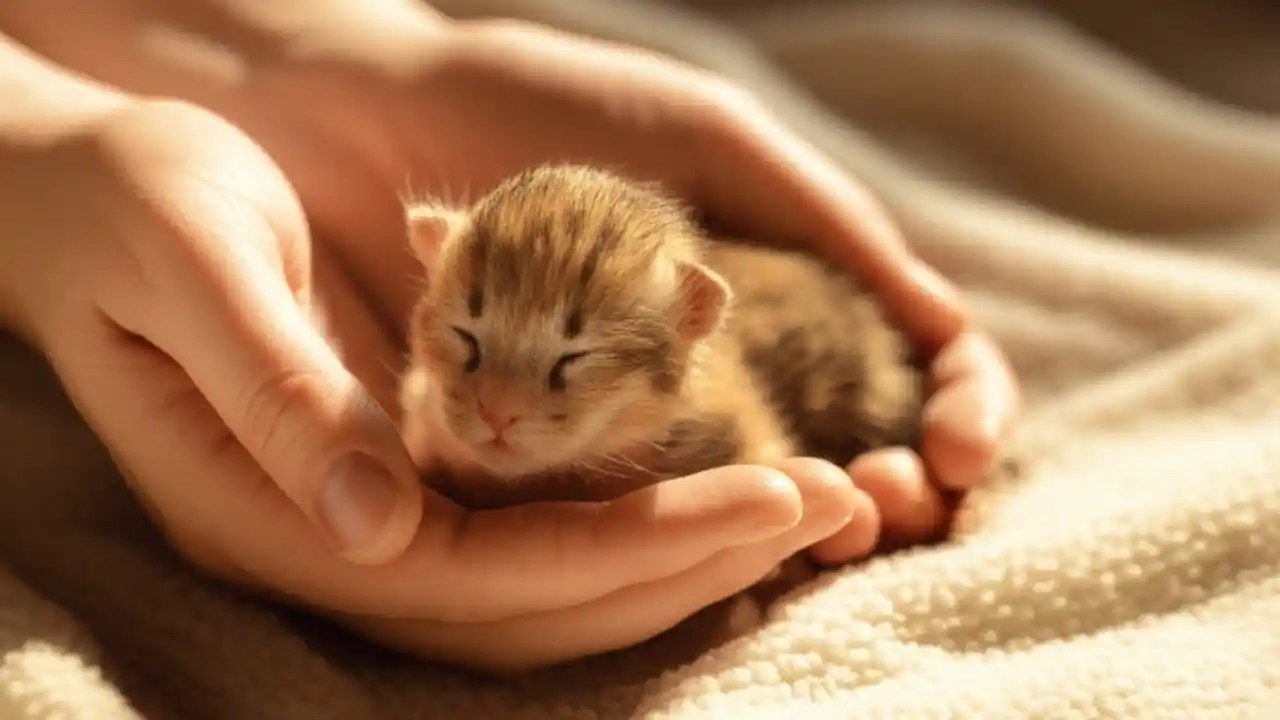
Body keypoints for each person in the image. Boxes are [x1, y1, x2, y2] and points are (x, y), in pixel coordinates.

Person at [0, 0, 1017, 670]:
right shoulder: (438, 383)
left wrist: (305, 53)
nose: (494, 408)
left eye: (569, 367)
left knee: (873, 449)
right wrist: (41, 159)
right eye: (469, 344)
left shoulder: (711, 422)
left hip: (823, 359)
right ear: (431, 264)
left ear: (687, 330)